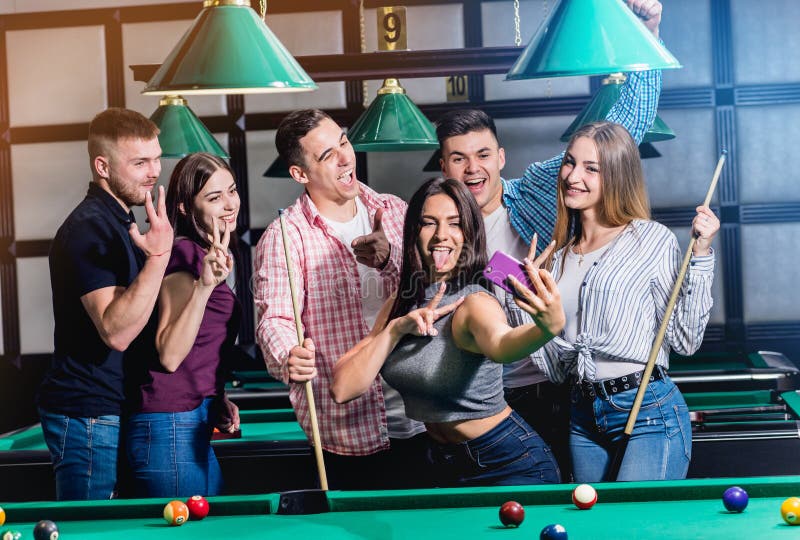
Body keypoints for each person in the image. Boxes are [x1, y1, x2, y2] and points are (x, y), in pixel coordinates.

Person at [435, 0, 665, 480]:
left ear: (501, 156)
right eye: (458, 159)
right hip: (479, 403)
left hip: (547, 388)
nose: (472, 168)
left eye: (482, 155)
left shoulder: (542, 187)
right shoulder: (434, 229)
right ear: (444, 167)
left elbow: (625, 126)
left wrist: (647, 32)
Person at [331, 177, 565, 487]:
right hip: (443, 463)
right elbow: (343, 388)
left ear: (469, 234)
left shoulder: (474, 302)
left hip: (510, 462)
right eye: (429, 223)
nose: (441, 235)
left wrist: (547, 328)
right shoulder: (400, 304)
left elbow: (502, 344)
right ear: (414, 232)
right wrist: (395, 330)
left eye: (454, 224)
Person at [534, 121, 719, 482]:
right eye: (570, 162)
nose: (573, 176)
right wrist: (524, 305)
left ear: (617, 176)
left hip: (647, 409)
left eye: (592, 169)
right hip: (582, 416)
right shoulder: (557, 258)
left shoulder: (650, 240)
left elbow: (685, 340)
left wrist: (700, 253)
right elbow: (557, 368)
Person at [254, 109, 428, 489]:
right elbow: (276, 319)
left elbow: (430, 294)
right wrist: (289, 355)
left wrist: (389, 261)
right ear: (300, 174)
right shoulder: (286, 236)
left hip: (421, 420)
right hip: (348, 435)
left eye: (344, 142)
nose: (345, 157)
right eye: (326, 155)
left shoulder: (396, 212)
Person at [38, 108, 173, 500]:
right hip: (85, 410)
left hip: (104, 406)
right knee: (88, 528)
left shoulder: (118, 219)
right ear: (103, 165)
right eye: (140, 162)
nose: (154, 171)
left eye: (156, 158)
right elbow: (116, 331)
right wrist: (159, 258)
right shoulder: (90, 227)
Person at [124, 153, 242, 498]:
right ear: (186, 209)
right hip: (169, 422)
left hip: (191, 417)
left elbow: (201, 345)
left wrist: (217, 395)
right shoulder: (185, 254)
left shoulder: (209, 253)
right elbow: (171, 354)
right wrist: (204, 287)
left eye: (231, 191)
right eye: (214, 197)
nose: (229, 204)